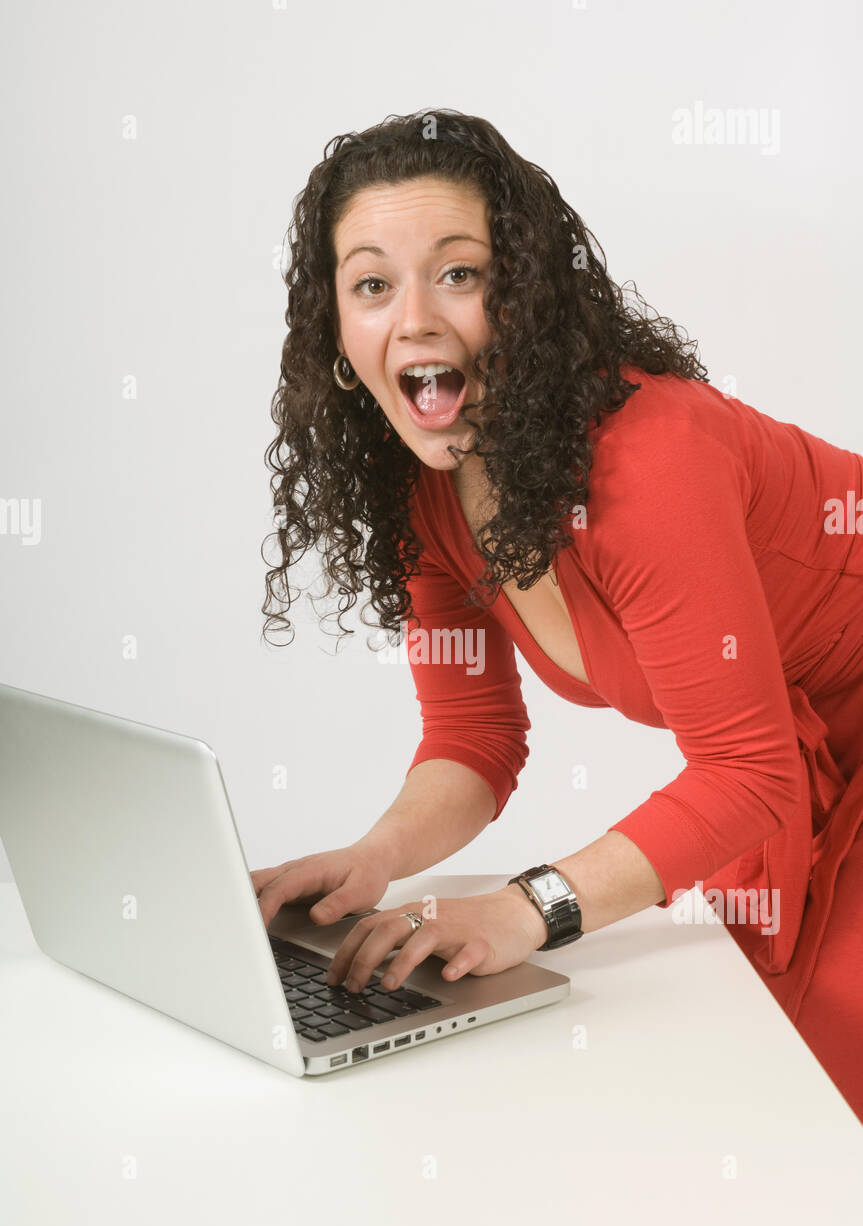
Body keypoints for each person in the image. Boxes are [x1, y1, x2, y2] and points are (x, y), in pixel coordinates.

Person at [251, 109, 863, 1123]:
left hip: (795, 757)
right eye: (371, 284)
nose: (412, 319)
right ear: (336, 332)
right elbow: (473, 739)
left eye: (457, 273)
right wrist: (375, 858)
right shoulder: (427, 494)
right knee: (756, 1061)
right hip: (807, 756)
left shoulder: (649, 459)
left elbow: (744, 769)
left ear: (526, 296)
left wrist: (527, 909)